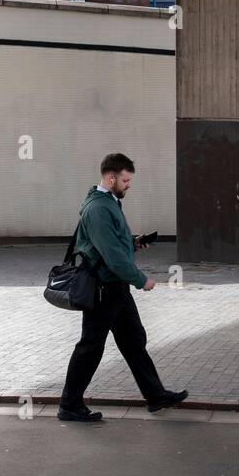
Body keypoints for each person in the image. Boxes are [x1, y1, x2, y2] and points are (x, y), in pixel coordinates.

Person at [57, 153, 187, 421]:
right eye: (126, 180)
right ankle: (69, 405)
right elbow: (112, 255)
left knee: (133, 341)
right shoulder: (98, 208)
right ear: (111, 177)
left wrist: (133, 241)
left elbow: (115, 243)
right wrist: (141, 280)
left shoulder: (108, 203)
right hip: (104, 289)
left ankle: (156, 395)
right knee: (91, 346)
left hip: (115, 289)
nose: (129, 185)